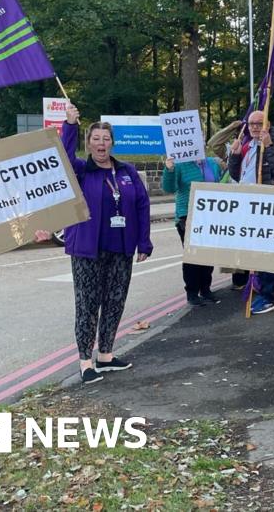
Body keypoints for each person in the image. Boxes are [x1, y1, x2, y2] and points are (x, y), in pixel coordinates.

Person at [55, 104, 152, 384]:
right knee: (87, 305)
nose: (101, 144)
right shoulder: (81, 170)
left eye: (106, 139)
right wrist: (70, 126)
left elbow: (142, 206)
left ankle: (106, 355)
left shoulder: (127, 171)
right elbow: (63, 156)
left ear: (112, 142)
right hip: (87, 249)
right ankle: (86, 361)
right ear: (89, 142)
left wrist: (143, 243)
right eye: (95, 139)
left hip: (120, 248)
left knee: (114, 302)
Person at [226, 110, 274, 313]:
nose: (254, 127)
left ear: (267, 124)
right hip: (248, 206)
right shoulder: (247, 144)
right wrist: (234, 156)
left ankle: (270, 296)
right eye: (251, 123)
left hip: (266, 206)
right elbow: (237, 174)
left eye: (259, 123)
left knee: (267, 252)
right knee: (255, 252)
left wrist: (268, 146)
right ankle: (261, 289)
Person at [163, 149, 224, 307]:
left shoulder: (212, 163)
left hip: (211, 216)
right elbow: (169, 188)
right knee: (192, 256)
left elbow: (223, 183)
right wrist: (169, 169)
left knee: (208, 255)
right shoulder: (180, 164)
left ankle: (206, 289)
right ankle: (192, 292)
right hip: (188, 216)